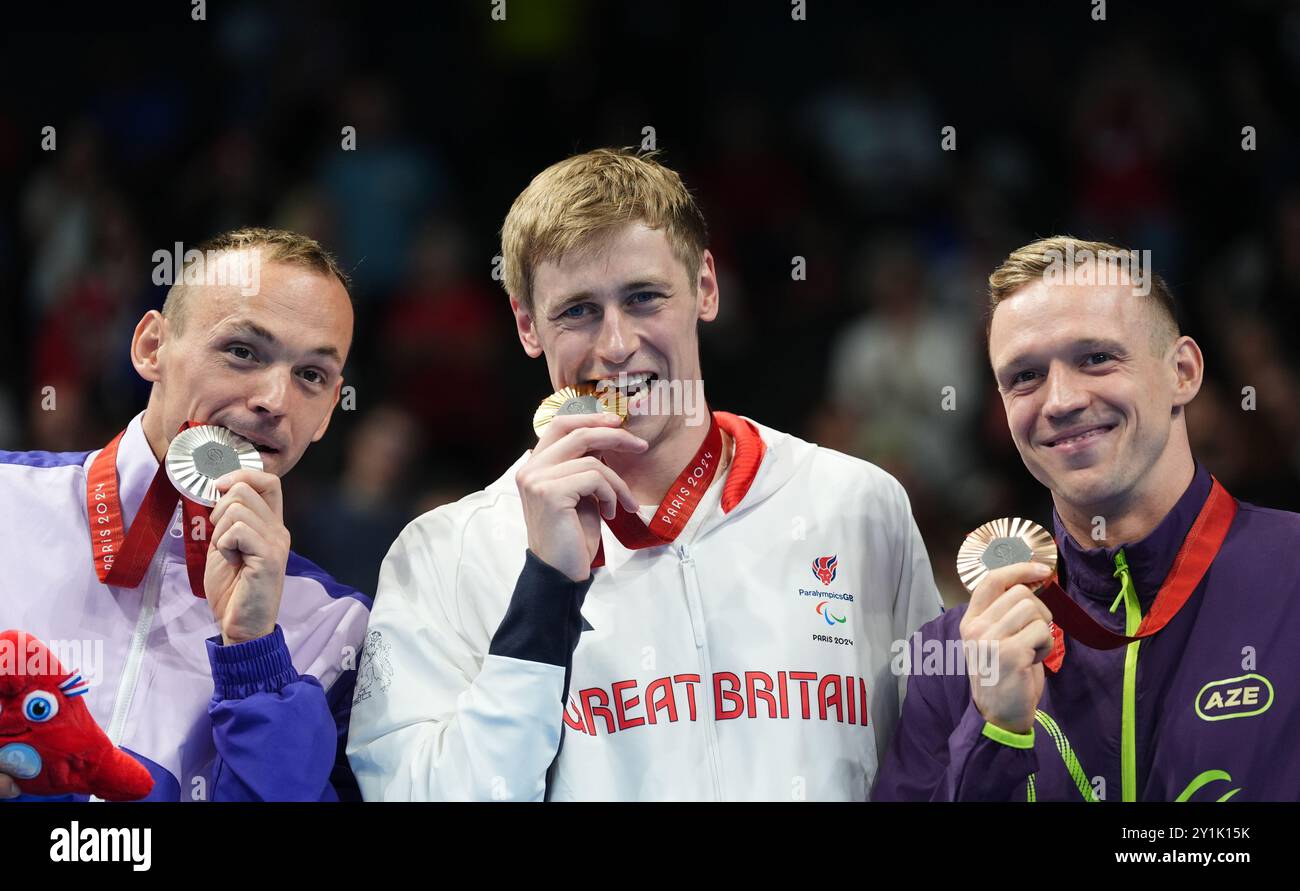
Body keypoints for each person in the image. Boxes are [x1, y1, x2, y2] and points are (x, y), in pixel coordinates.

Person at [347, 148, 942, 801]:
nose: (616, 345)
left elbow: (933, 766)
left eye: (643, 297)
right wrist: (543, 592)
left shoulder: (855, 505)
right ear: (526, 325)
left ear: (706, 287)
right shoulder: (444, 554)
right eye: (577, 310)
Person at [874, 236, 1300, 801]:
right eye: (1024, 376)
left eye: (1096, 358)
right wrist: (995, 733)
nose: (1061, 401)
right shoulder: (954, 656)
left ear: (1184, 372)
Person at [0, 228, 371, 801]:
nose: (275, 399)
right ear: (152, 347)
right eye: (243, 351)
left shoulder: (337, 626)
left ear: (326, 414)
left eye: (311, 376)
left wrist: (254, 650)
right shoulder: (8, 497)